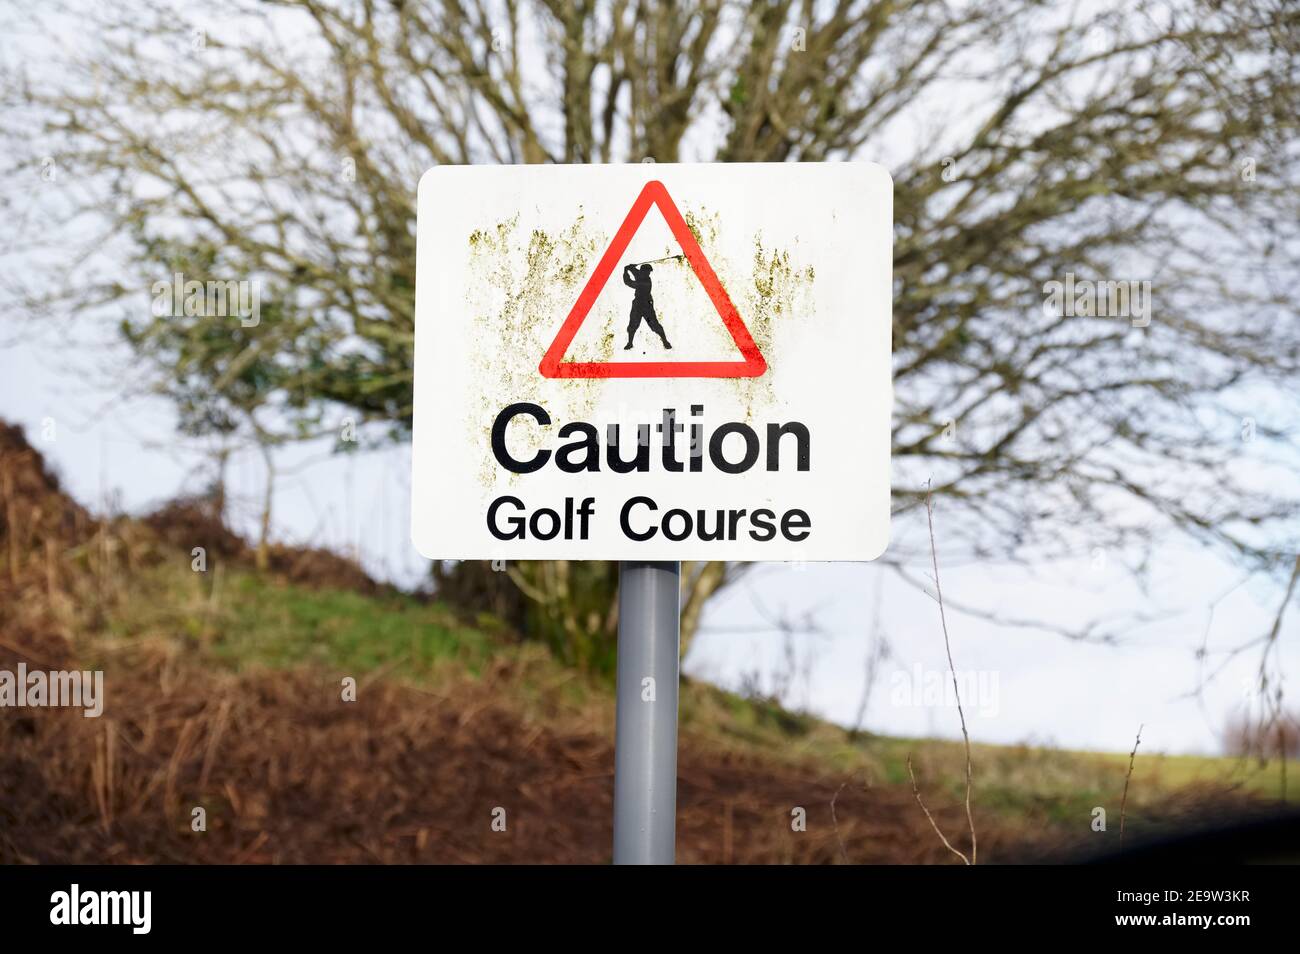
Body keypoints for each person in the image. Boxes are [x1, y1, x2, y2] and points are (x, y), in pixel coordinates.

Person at [622, 263, 672, 350]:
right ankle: (630, 343)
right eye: (647, 272)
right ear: (642, 271)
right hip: (637, 305)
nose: (648, 274)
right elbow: (635, 272)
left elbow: (628, 282)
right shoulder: (641, 275)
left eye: (649, 272)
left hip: (646, 307)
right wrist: (630, 267)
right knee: (632, 325)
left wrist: (625, 270)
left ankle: (665, 341)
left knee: (654, 325)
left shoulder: (645, 281)